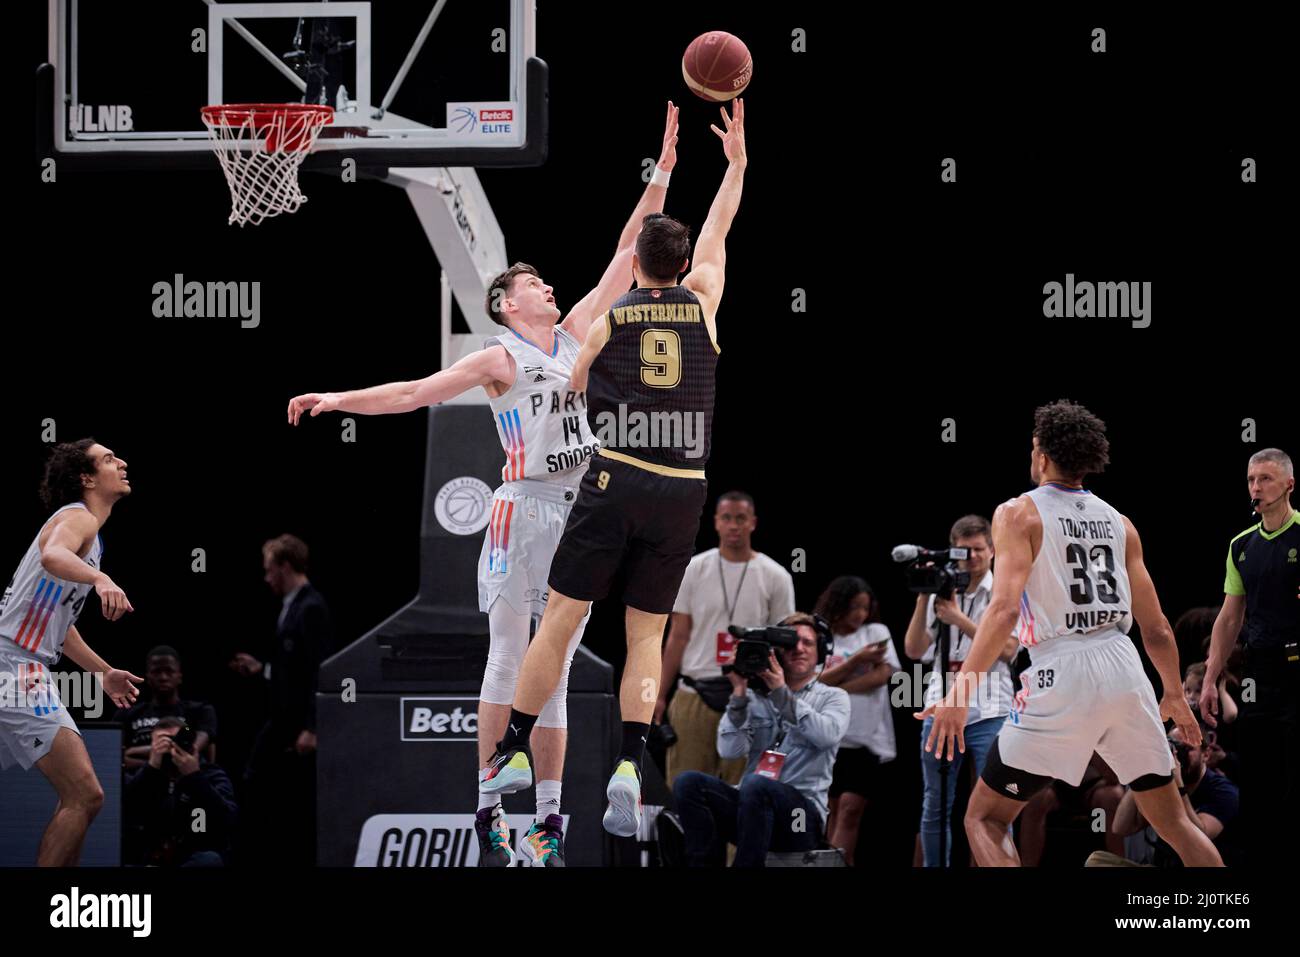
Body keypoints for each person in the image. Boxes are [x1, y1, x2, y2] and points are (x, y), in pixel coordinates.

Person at [287, 103, 683, 865]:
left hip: (578, 514)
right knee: (507, 655)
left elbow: (628, 250)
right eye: (536, 284)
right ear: (508, 302)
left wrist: (662, 169)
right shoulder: (498, 355)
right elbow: (412, 392)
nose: (550, 289)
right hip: (520, 508)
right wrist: (337, 398)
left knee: (559, 670)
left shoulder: (578, 338)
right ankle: (486, 805)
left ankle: (550, 822)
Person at [483, 99, 748, 841]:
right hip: (683, 488)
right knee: (644, 636)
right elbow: (720, 227)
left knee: (561, 620)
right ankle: (631, 760)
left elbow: (572, 391)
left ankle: (510, 750)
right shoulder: (706, 299)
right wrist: (736, 165)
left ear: (636, 264)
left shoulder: (604, 320)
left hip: (613, 476)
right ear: (684, 264)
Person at [919, 399, 1223, 867]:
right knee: (1176, 823)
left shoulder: (1017, 513)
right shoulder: (1121, 524)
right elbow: (1157, 627)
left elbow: (1001, 611)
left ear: (1041, 454)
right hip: (1124, 666)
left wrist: (960, 695)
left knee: (985, 818)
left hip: (1060, 668)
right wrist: (1173, 695)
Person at [0, 439, 141, 865]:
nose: (122, 462)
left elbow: (60, 627)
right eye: (109, 459)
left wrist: (102, 672)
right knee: (84, 794)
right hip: (16, 667)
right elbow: (53, 554)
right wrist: (102, 581)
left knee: (82, 798)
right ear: (86, 478)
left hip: (18, 663)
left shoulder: (92, 540)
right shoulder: (77, 518)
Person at [673, 613, 849, 866]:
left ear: (821, 651)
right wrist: (739, 692)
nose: (799, 649)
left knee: (756, 784)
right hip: (751, 811)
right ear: (776, 652)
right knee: (688, 782)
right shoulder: (755, 699)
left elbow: (826, 735)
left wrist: (781, 693)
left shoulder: (833, 697)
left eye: (808, 643)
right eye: (791, 643)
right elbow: (729, 750)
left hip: (800, 820)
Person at [655, 490, 795, 789]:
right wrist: (659, 693)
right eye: (728, 518)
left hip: (752, 692)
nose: (734, 525)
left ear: (753, 523)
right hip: (695, 691)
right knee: (685, 787)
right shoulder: (694, 569)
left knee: (744, 791)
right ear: (716, 523)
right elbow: (678, 636)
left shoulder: (775, 575)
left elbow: (784, 645)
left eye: (741, 519)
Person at [1200, 447, 1299, 864]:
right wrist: (1210, 678)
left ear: (1289, 485)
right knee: (1261, 786)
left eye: (1266, 479)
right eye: (1251, 480)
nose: (1256, 487)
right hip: (1261, 674)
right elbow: (1228, 617)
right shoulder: (1241, 544)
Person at [903, 514, 1018, 867]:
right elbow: (913, 650)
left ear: (993, 550)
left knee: (995, 807)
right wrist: (925, 596)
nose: (970, 557)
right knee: (935, 803)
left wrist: (958, 619)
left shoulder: (1007, 592)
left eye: (978, 550)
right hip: (940, 706)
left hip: (990, 709)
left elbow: (1011, 650)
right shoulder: (943, 588)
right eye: (963, 550)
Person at [231, 534, 335, 866]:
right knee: (268, 788)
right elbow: (294, 669)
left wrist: (313, 728)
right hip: (283, 719)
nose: (266, 579)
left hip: (296, 724)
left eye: (268, 570)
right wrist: (262, 669)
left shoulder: (311, 607)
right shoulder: (291, 607)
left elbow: (319, 671)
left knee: (265, 785)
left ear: (285, 567)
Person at [815, 576, 898, 866]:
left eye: (865, 608)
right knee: (831, 808)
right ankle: (839, 861)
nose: (860, 615)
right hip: (830, 736)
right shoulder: (821, 638)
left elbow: (883, 674)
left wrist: (837, 689)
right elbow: (815, 681)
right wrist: (855, 662)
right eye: (854, 608)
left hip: (867, 737)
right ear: (838, 605)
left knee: (851, 808)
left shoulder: (876, 632)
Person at [123, 717, 238, 867]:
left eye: (175, 741)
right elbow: (124, 811)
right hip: (150, 857)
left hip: (193, 855)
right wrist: (151, 768)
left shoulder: (211, 774)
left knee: (209, 861)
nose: (170, 749)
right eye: (162, 742)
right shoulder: (142, 775)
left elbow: (228, 820)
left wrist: (194, 776)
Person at [121, 645, 218, 770]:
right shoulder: (128, 714)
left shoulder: (201, 711)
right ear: (148, 677)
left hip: (187, 782)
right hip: (139, 782)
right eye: (157, 671)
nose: (163, 677)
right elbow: (117, 758)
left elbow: (192, 748)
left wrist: (138, 752)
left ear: (179, 676)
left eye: (169, 671)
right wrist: (155, 765)